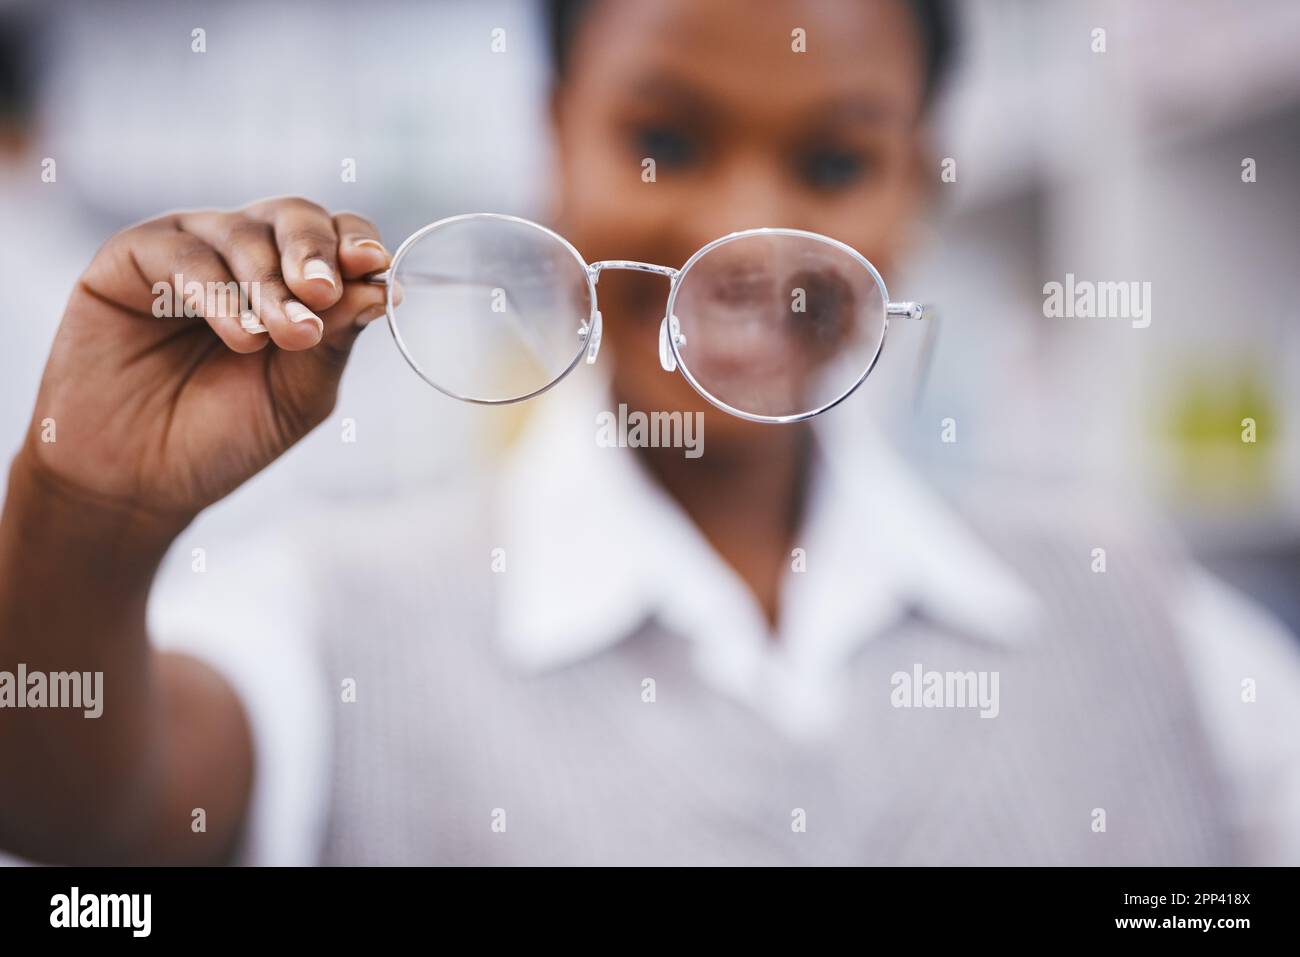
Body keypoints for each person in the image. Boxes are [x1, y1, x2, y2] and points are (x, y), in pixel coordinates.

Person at [2, 0, 1298, 866]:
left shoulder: (1129, 608)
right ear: (554, 137)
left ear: (921, 179)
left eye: (836, 162)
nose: (746, 230)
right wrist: (84, 511)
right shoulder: (342, 612)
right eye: (666, 140)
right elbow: (78, 808)